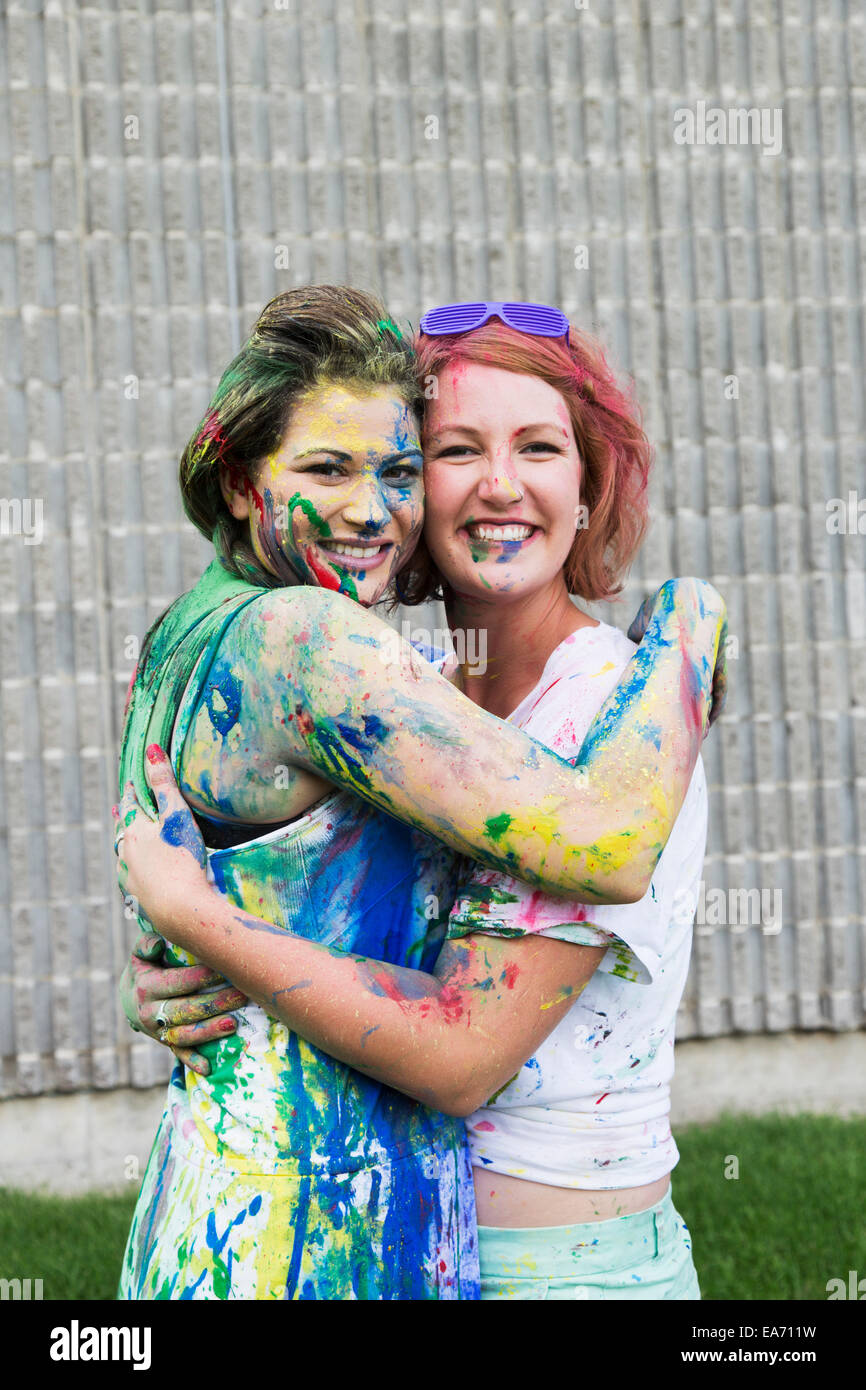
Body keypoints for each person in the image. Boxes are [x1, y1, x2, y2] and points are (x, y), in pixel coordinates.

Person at [115, 289, 726, 1300]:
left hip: (552, 1270)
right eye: (452, 452)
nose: (496, 486)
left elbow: (460, 1051)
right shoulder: (412, 700)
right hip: (355, 1236)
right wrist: (181, 967)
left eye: (538, 448)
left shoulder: (619, 711)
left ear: (588, 488)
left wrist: (200, 922)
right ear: (237, 483)